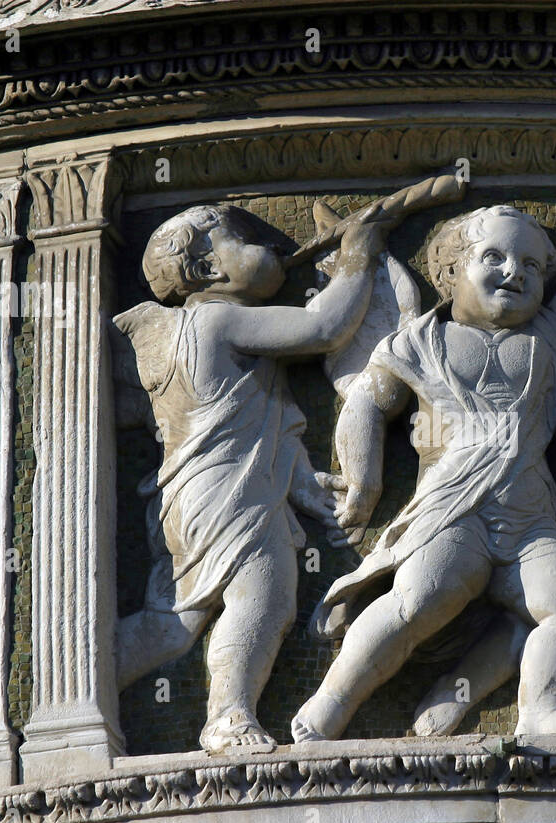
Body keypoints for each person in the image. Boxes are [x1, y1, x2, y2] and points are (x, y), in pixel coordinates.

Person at [293, 205, 556, 741]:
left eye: (531, 264)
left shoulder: (551, 337)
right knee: (418, 601)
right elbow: (367, 402)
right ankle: (331, 702)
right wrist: (366, 485)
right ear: (453, 272)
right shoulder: (418, 342)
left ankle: (543, 708)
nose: (515, 271)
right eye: (495, 257)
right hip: (454, 509)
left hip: (532, 516)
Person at [112, 202, 391, 752]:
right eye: (249, 239)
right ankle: (228, 715)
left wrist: (301, 481)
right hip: (229, 496)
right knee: (264, 597)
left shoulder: (181, 332)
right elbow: (324, 327)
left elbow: (251, 419)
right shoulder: (218, 319)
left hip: (187, 497)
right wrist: (358, 256)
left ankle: (94, 674)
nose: (277, 249)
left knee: (172, 625)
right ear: (209, 270)